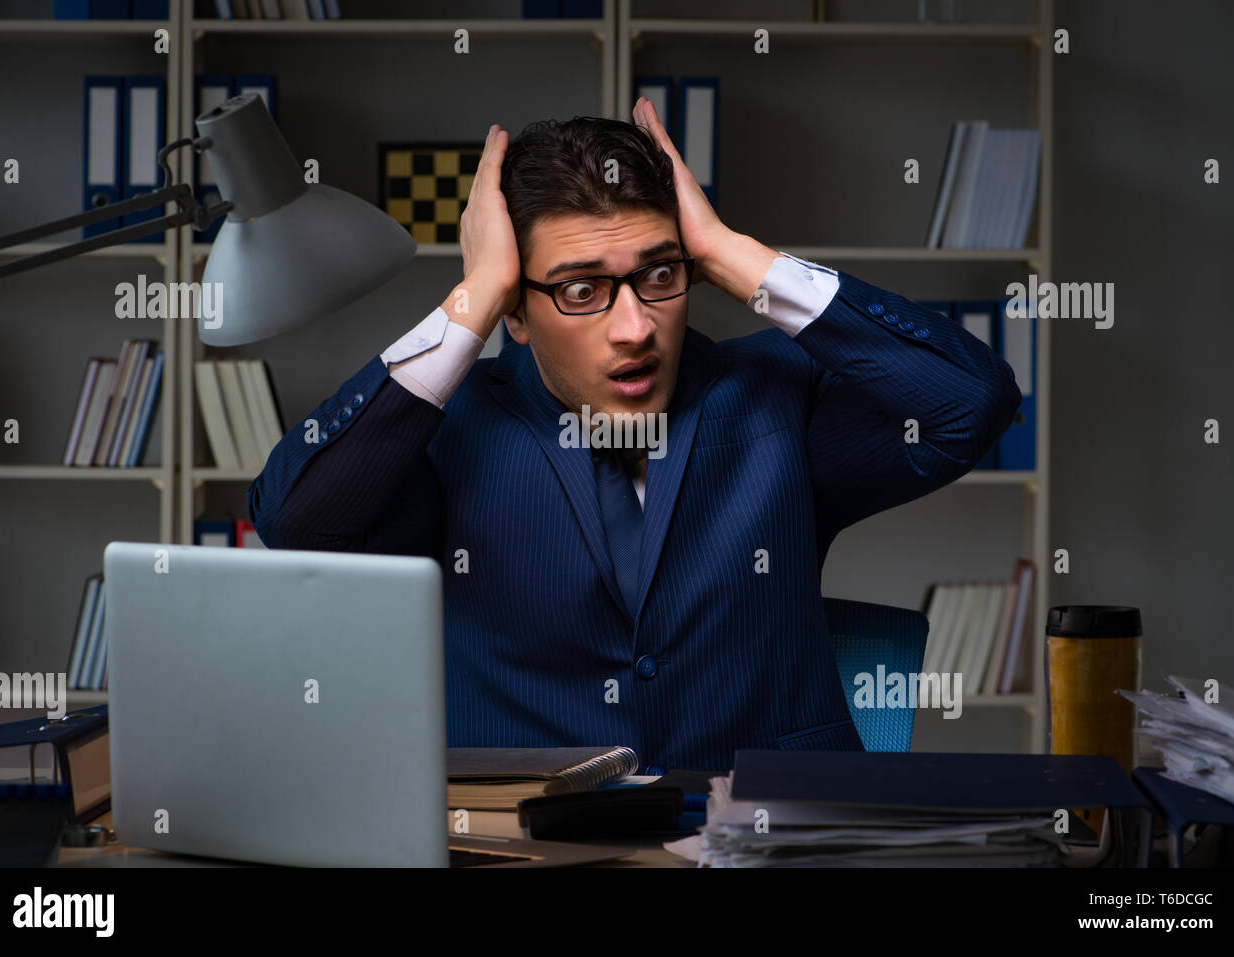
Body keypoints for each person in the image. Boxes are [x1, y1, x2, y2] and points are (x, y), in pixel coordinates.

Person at [248, 98, 1021, 773]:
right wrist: (474, 294)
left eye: (658, 276)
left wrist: (727, 250)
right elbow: (296, 519)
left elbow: (971, 402)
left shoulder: (774, 399)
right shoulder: (450, 429)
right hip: (529, 846)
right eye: (581, 289)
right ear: (516, 313)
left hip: (759, 836)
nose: (634, 328)